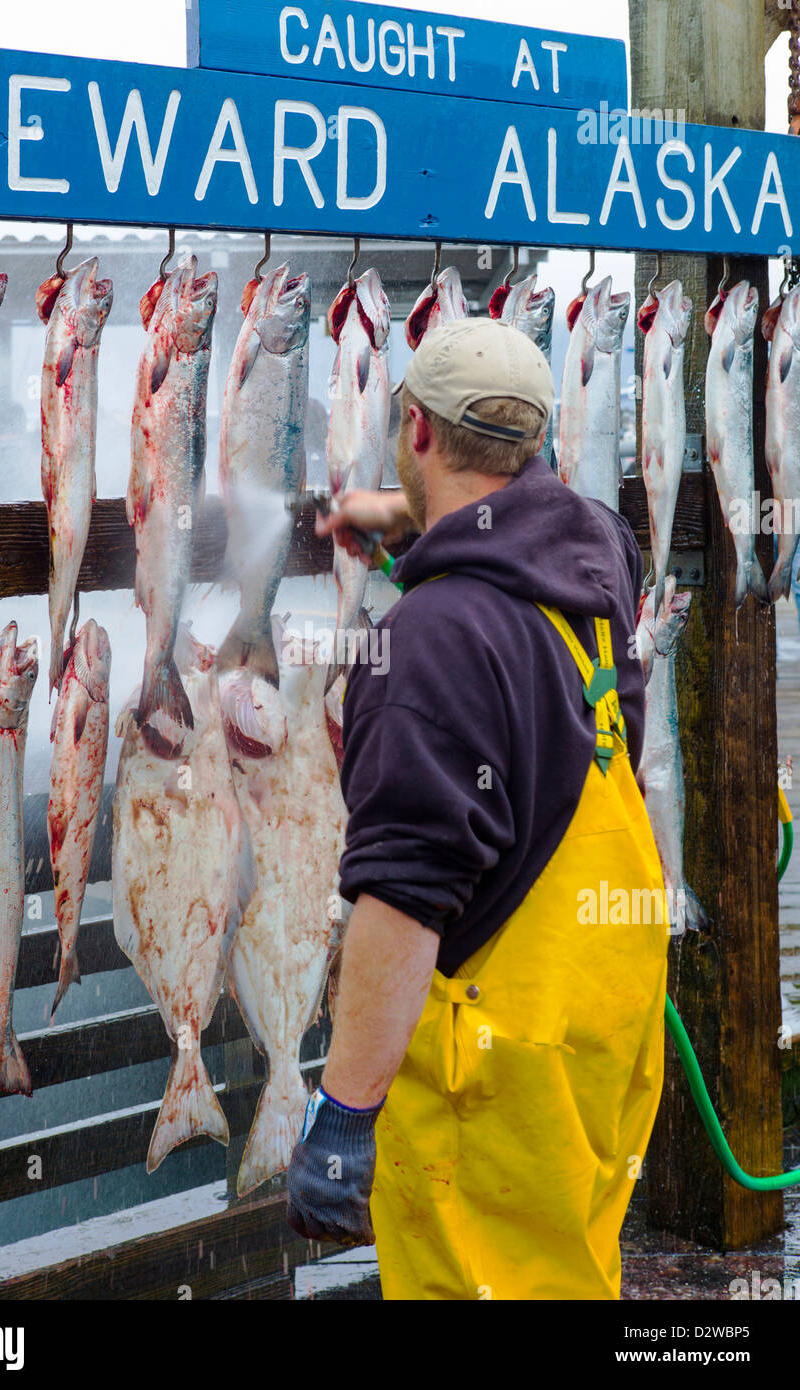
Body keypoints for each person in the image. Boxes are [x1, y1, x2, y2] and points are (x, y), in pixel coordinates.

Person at [285, 319, 670, 1301]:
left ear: (414, 429)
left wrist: (345, 1107)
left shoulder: (429, 640)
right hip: (602, 1044)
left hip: (496, 1086)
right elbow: (539, 525)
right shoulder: (599, 566)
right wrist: (406, 517)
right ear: (537, 444)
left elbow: (405, 899)